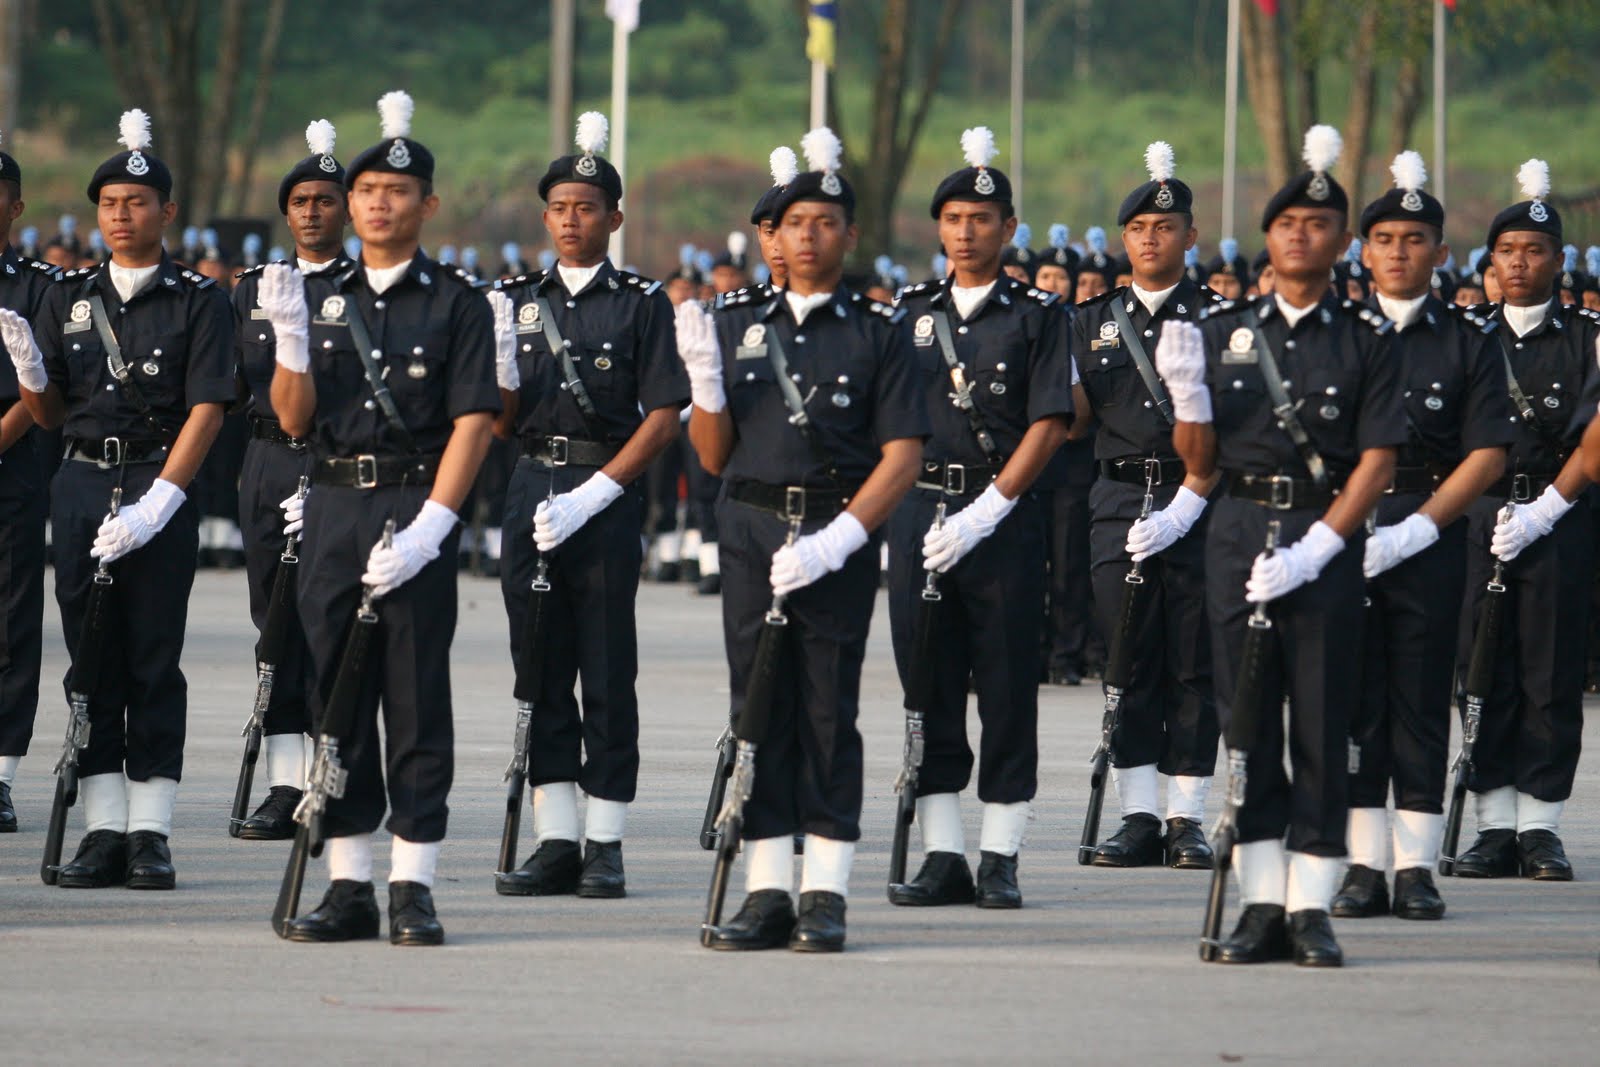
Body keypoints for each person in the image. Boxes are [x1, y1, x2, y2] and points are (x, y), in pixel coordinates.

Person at [1160, 126, 1405, 966]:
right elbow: (1199, 462)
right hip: (1235, 531)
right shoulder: (1221, 330)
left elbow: (1377, 461)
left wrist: (1320, 548)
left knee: (1323, 719)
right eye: (1287, 222)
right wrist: (1188, 399)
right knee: (1247, 719)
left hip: (1320, 536)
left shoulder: (1367, 339)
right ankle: (1261, 901)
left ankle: (1311, 903)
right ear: (1268, 236)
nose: (1301, 234)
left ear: (1342, 241)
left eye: (1318, 223)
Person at [680, 127, 927, 952]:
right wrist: (706, 387)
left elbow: (903, 454)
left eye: (826, 222)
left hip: (834, 530)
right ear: (772, 237)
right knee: (757, 704)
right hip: (749, 527)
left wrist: (843, 538)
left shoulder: (878, 331)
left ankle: (824, 888)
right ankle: (765, 888)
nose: (809, 235)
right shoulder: (733, 322)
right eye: (795, 223)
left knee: (828, 707)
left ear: (849, 235)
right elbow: (712, 458)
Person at [268, 91, 498, 945]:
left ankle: (414, 882)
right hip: (330, 504)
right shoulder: (318, 298)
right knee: (335, 694)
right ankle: (349, 880)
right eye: (365, 190)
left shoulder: (459, 304)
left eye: (397, 191)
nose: (376, 202)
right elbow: (293, 419)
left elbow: (473, 422)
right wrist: (291, 340)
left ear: (426, 204)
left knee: (411, 695)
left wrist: (437, 525)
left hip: (413, 502)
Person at [6, 110, 232, 889]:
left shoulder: (200, 300)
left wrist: (164, 499)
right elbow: (50, 416)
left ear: (166, 212)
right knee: (89, 658)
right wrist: (32, 376)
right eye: (108, 203)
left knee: (151, 658)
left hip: (156, 485)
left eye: (136, 202)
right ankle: (103, 825)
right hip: (77, 484)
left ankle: (150, 828)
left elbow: (207, 407)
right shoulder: (66, 296)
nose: (120, 215)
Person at [490, 113, 687, 901]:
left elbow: (665, 413)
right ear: (545, 218)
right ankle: (556, 836)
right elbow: (497, 422)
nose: (572, 219)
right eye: (560, 207)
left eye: (587, 206)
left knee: (606, 668)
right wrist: (497, 376)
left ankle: (604, 839)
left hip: (602, 494)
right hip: (527, 489)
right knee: (538, 664)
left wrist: (603, 490)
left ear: (615, 217)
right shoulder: (511, 302)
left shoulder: (642, 302)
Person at [884, 126, 1072, 909]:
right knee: (926, 684)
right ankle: (943, 853)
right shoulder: (909, 311)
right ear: (939, 227)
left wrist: (991, 509)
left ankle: (1000, 852)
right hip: (919, 512)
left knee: (1003, 685)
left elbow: (1051, 421)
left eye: (983, 220)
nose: (967, 232)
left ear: (1010, 229)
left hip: (1003, 519)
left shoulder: (1037, 313)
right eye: (955, 218)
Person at [1329, 151, 1512, 920]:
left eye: (1415, 240)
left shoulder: (1468, 341)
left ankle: (1415, 864)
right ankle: (1365, 863)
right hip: (1339, 533)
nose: (1399, 252)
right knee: (1353, 700)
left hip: (1427, 533)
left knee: (1419, 695)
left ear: (1441, 254)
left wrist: (1416, 532)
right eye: (1385, 239)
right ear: (1362, 251)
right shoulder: (1335, 334)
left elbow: (1488, 453)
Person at [1072, 141, 1225, 869]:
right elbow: (1069, 419)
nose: (1151, 238)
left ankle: (1185, 813)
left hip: (1201, 498)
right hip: (1118, 497)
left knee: (1195, 660)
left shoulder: (1227, 319)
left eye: (1166, 228)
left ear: (1190, 236)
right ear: (1124, 237)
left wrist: (1192, 501)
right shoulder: (1088, 321)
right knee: (1128, 654)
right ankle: (1137, 813)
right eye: (1138, 229)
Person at [1454, 160, 1600, 882]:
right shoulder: (1465, 336)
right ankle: (1492, 822)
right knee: (1483, 665)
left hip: (1558, 509)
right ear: (1490, 261)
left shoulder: (1587, 336)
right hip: (1478, 514)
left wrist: (1545, 510)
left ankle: (1540, 825)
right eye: (1507, 250)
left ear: (1559, 260)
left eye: (1534, 250)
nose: (1519, 262)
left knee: (1549, 666)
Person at [228, 119, 353, 839]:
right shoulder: (252, 290)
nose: (312, 210)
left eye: (326, 199)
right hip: (269, 459)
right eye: (301, 200)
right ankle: (283, 780)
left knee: (331, 621)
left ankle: (331, 774)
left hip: (336, 461)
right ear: (286, 211)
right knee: (273, 622)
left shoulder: (366, 289)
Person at [0, 130, 61, 830]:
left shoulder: (38, 288)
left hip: (13, 463)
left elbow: (47, 383)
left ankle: (3, 770)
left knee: (11, 621)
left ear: (15, 207)